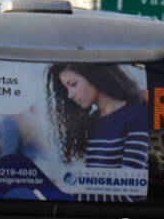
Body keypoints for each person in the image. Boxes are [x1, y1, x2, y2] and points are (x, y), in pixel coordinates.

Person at [46, 62, 150, 198]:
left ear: (93, 76)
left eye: (73, 84)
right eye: (66, 88)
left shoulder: (137, 117)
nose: (70, 95)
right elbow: (98, 185)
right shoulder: (94, 120)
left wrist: (64, 191)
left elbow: (128, 192)